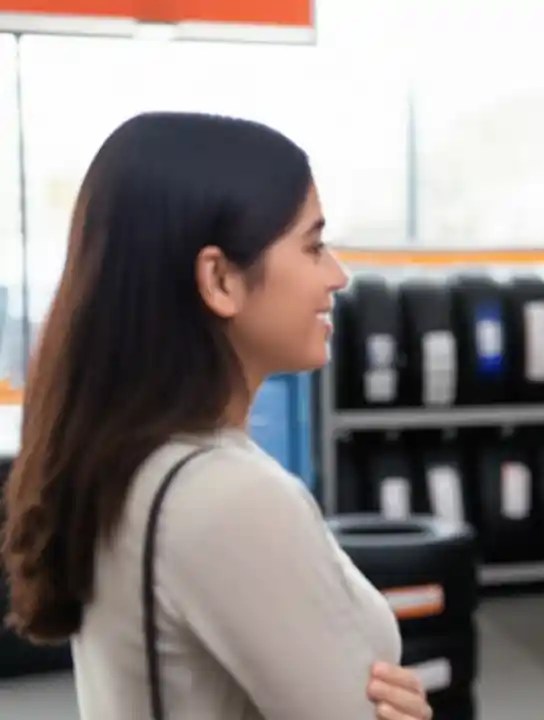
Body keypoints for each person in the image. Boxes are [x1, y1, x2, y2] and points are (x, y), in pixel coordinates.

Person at [1, 112, 432, 720]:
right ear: (220, 278)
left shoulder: (137, 460)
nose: (337, 275)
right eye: (312, 245)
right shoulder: (228, 495)